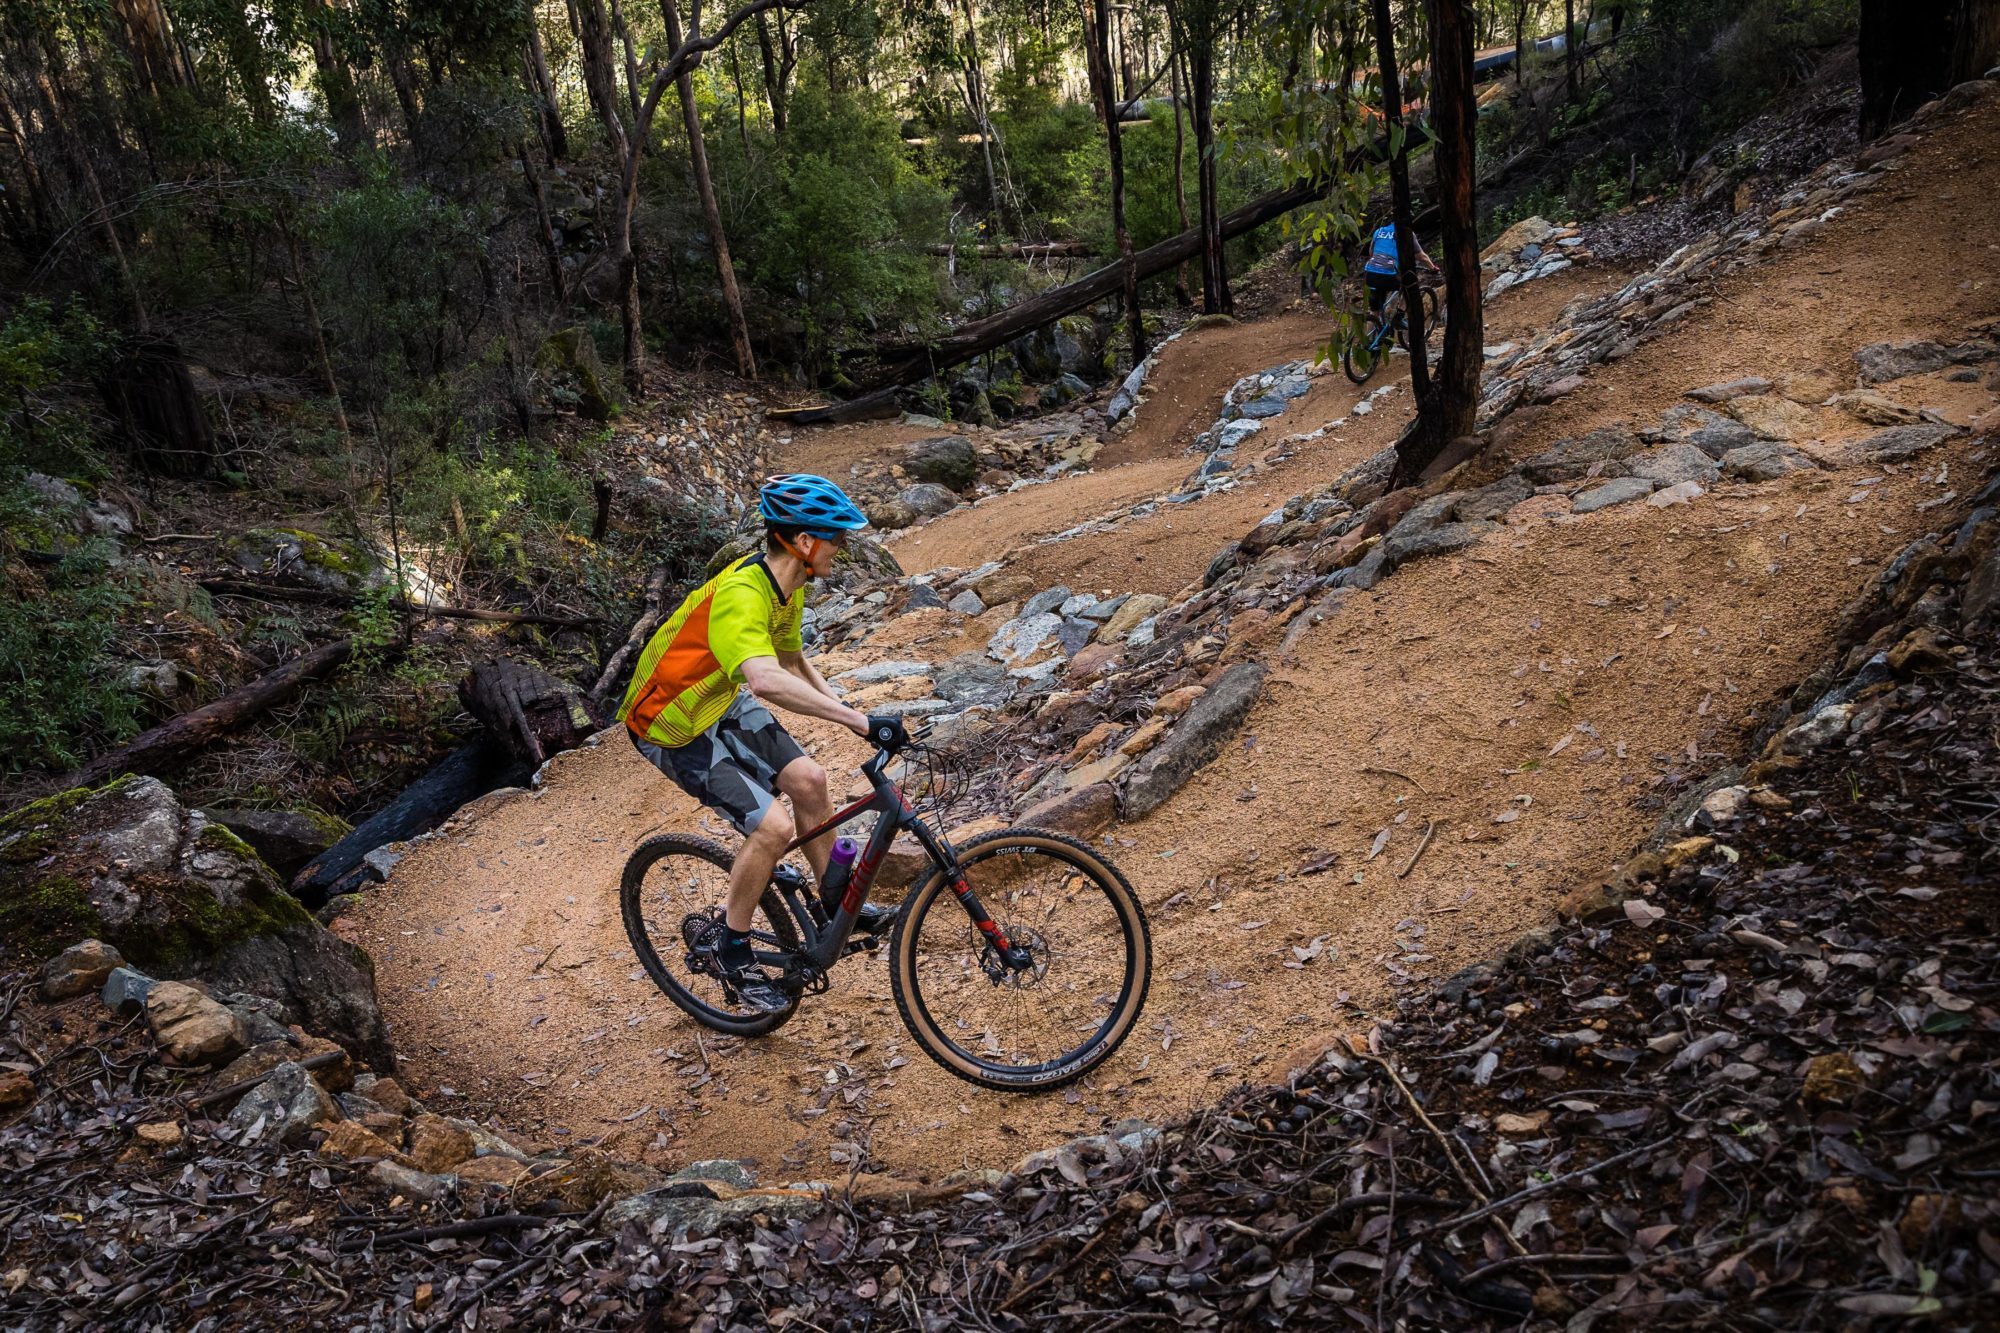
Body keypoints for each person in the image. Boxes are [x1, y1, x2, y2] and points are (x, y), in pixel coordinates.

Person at [617, 473, 901, 1013]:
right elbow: (766, 681)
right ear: (805, 542)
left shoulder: (788, 585)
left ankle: (833, 905)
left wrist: (857, 719)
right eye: (836, 537)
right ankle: (732, 948)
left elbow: (791, 660)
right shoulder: (741, 595)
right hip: (669, 724)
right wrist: (860, 722)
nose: (841, 547)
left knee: (810, 781)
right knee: (772, 827)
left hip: (718, 699)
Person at [1360, 220, 1440, 313]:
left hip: (1369, 273)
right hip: (1388, 274)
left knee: (1376, 307)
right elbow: (1421, 256)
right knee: (1410, 288)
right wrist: (1432, 268)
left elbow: (1371, 252)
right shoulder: (1406, 233)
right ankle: (1400, 315)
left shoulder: (1379, 231)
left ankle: (1376, 320)